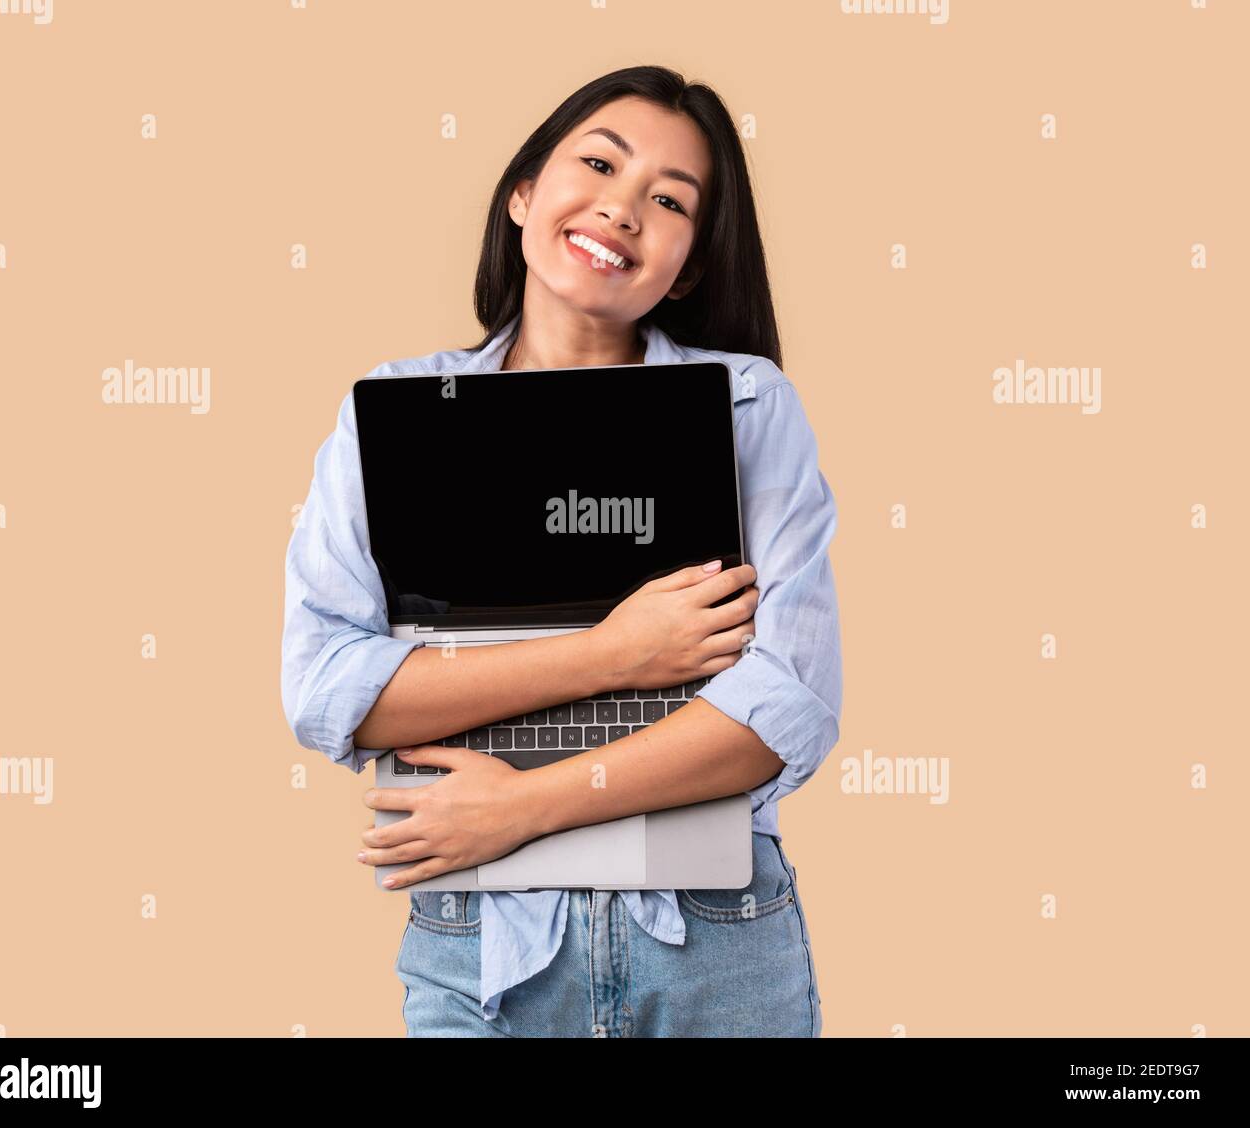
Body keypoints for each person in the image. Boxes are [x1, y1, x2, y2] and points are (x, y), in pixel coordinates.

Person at [281, 65, 843, 1037]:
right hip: (479, 940)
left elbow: (785, 706)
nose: (623, 210)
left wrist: (526, 806)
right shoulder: (397, 412)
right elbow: (331, 691)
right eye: (598, 164)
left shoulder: (749, 405)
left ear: (691, 264)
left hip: (714, 946)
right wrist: (615, 656)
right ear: (523, 193)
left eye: (668, 200)